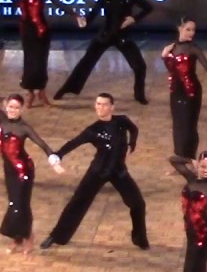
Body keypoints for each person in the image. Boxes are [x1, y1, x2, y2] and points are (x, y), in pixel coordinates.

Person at [40, 93, 147, 250]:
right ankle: (57, 236)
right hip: (98, 171)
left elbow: (134, 129)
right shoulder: (93, 130)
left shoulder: (122, 121)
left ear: (112, 107)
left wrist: (132, 145)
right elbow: (73, 143)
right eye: (98, 104)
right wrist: (58, 155)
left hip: (119, 172)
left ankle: (139, 238)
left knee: (138, 203)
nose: (100, 107)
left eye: (104, 104)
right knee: (77, 202)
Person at [54, 0, 153, 105]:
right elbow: (94, 13)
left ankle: (139, 94)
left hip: (122, 36)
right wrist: (84, 22)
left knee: (139, 66)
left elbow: (148, 7)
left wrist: (134, 19)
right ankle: (68, 88)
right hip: (105, 35)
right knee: (85, 63)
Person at [0, 93, 61, 254]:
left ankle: (28, 236)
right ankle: (16, 239)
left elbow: (43, 145)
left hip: (23, 170)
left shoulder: (24, 128)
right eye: (10, 106)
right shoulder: (1, 118)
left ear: (22, 109)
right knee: (13, 204)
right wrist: (1, 99)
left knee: (21, 204)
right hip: (9, 170)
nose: (13, 110)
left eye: (17, 107)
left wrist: (54, 161)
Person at [16, 0, 85, 107]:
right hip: (27, 31)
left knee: (41, 62)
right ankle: (29, 92)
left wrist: (75, 15)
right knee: (29, 62)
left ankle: (41, 91)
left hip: (41, 31)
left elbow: (60, 4)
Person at [161, 17, 207, 158]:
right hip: (176, 91)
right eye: (188, 29)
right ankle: (179, 159)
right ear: (179, 28)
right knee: (178, 126)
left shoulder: (193, 48)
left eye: (193, 30)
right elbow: (172, 69)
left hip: (191, 92)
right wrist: (164, 56)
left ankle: (190, 159)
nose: (191, 33)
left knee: (189, 127)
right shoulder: (171, 48)